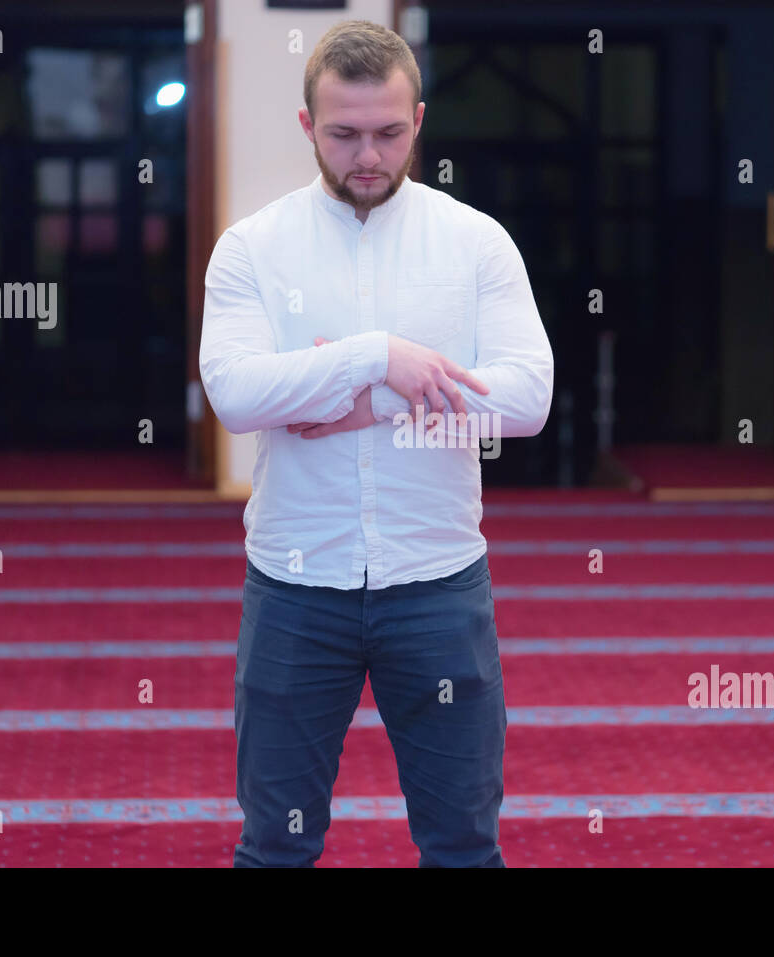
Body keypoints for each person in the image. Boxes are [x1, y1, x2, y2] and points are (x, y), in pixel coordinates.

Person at [199, 18, 554, 867]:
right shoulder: (251, 248)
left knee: (464, 845)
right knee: (273, 848)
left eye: (390, 133)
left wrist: (371, 399)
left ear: (419, 120)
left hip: (438, 585)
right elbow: (237, 394)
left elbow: (528, 398)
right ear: (306, 127)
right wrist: (385, 356)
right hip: (293, 587)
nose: (369, 155)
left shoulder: (475, 243)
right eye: (345, 134)